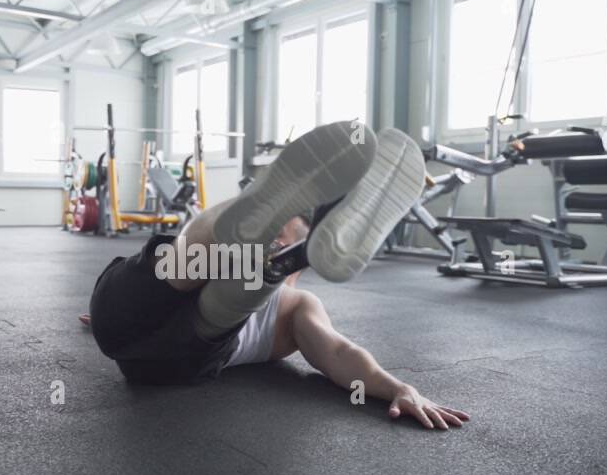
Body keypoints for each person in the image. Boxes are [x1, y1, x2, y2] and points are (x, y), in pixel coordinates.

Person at [83, 122, 470, 430]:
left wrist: (399, 388)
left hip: (168, 361)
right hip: (149, 334)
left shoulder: (300, 306)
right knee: (190, 265)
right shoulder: (296, 307)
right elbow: (338, 355)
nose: (282, 225)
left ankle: (265, 264)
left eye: (289, 222)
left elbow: (339, 354)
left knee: (218, 301)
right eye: (283, 220)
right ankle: (252, 241)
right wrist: (113, 315)